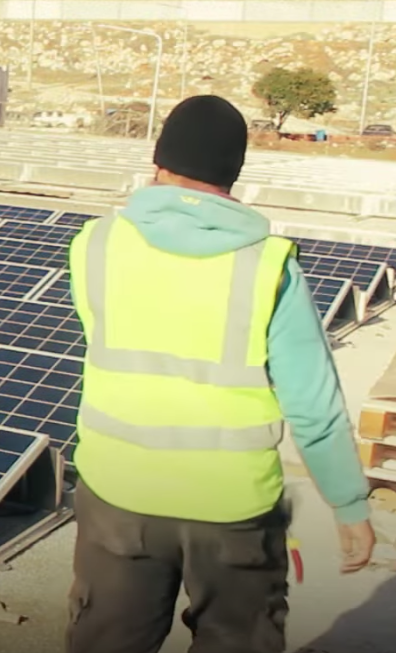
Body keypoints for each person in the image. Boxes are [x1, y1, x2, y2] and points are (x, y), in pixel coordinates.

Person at [65, 95, 373, 653]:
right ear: (233, 177)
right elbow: (314, 402)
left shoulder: (96, 244)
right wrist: (348, 506)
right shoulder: (269, 266)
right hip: (233, 509)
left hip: (118, 491)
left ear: (157, 162)